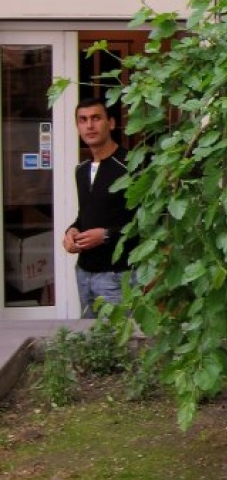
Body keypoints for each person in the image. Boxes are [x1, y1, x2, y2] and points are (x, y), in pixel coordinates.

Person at [62, 97, 132, 319]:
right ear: (77, 126)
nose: (89, 126)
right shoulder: (81, 170)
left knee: (120, 345)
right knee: (93, 344)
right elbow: (86, 215)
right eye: (82, 120)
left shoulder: (131, 165)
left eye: (96, 118)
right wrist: (72, 231)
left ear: (111, 123)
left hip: (117, 274)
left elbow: (148, 223)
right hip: (84, 273)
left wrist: (106, 235)